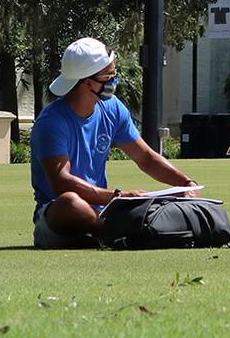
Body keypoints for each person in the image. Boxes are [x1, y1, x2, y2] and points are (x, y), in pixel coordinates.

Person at [30, 37, 199, 248]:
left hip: (104, 211)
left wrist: (184, 183)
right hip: (58, 221)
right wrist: (118, 197)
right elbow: (61, 182)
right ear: (87, 82)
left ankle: (111, 231)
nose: (114, 81)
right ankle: (113, 233)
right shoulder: (51, 122)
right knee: (70, 202)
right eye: (109, 76)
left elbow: (145, 157)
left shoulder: (112, 108)